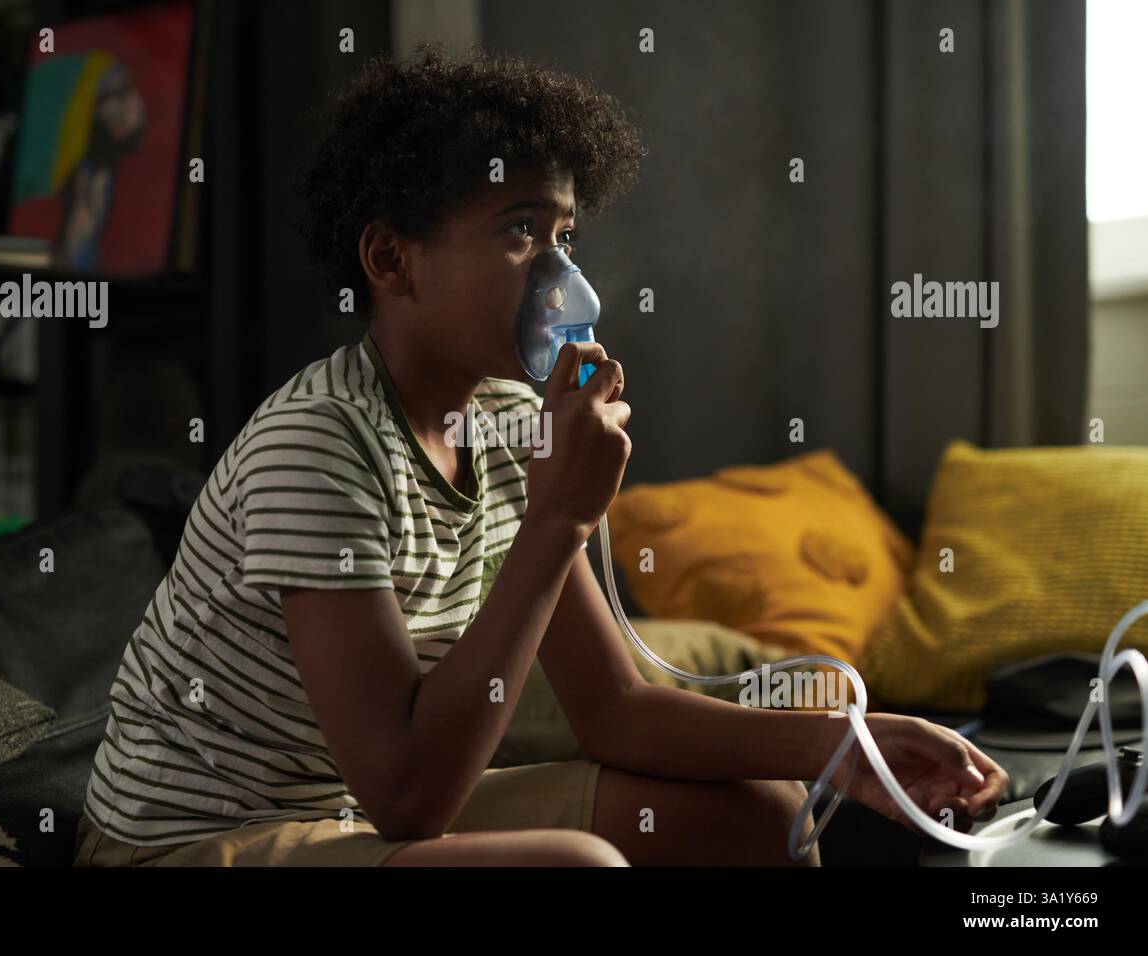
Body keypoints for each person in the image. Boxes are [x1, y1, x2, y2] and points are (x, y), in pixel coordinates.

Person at [74, 42, 1007, 868]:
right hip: (199, 842)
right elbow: (409, 797)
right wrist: (560, 518)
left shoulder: (512, 418)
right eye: (520, 231)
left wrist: (849, 745)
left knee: (761, 820)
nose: (566, 278)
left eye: (564, 234)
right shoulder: (314, 449)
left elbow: (616, 713)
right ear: (392, 262)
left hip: (350, 810)